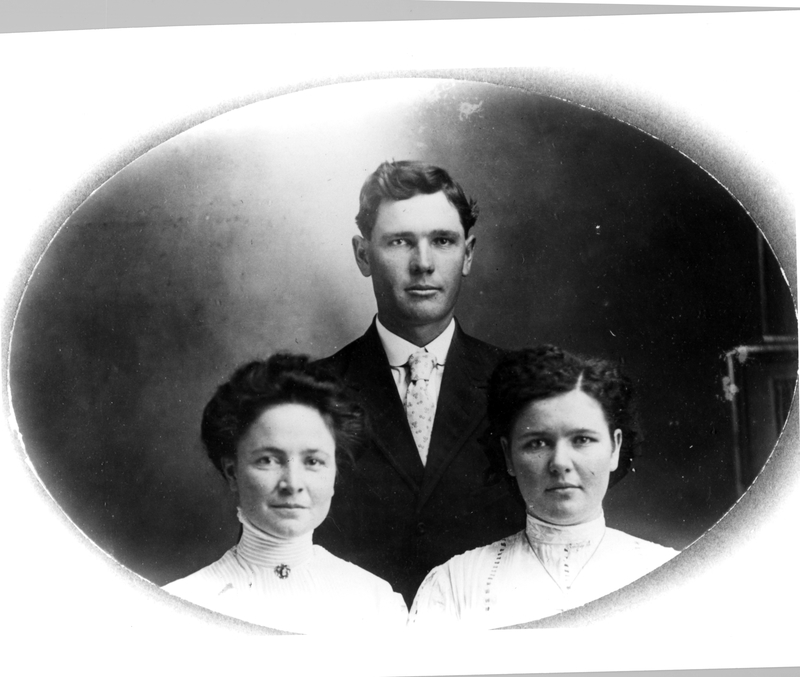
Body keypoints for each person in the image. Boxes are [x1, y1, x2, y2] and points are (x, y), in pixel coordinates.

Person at [314, 160, 525, 606]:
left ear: (467, 254)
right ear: (362, 254)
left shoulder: (522, 386)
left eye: (443, 241)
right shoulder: (311, 393)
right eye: (399, 242)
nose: (423, 264)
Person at [409, 345, 680, 629]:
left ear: (615, 448)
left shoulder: (670, 573)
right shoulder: (455, 585)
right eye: (537, 443)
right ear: (508, 455)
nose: (560, 463)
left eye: (582, 440)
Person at [162, 354, 408, 633]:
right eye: (268, 460)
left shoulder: (375, 604)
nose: (292, 483)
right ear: (232, 473)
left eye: (313, 461)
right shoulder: (178, 607)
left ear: (334, 474)